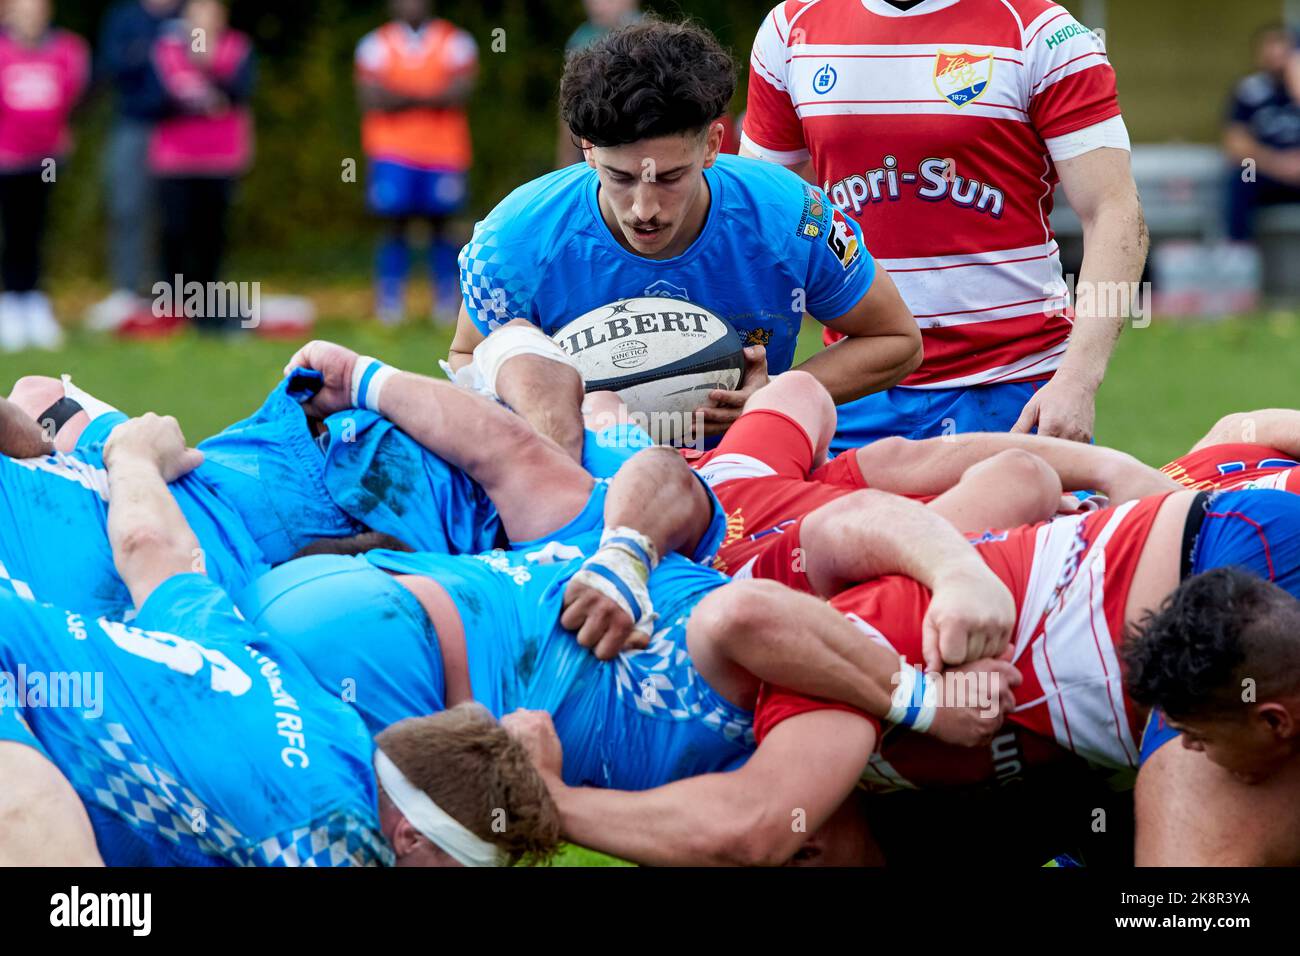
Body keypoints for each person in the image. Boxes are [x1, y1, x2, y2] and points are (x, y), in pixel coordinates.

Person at [512, 484, 1300, 865]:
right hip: (1211, 574)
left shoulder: (819, 688)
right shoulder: (901, 783)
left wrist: (556, 805)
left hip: (1224, 578)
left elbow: (748, 828)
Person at [0, 413, 563, 867]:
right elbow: (24, 810)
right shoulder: (332, 839)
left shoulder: (318, 711)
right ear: (413, 840)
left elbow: (156, 557)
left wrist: (133, 453)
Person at [451, 17, 922, 442]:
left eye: (671, 178)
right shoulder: (513, 240)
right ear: (589, 149)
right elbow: (468, 360)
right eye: (621, 177)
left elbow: (897, 340)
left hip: (748, 472)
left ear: (713, 145)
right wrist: (551, 417)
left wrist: (775, 397)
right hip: (579, 481)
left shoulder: (792, 217)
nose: (644, 209)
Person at [741, 0, 1149, 452]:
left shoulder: (1041, 31)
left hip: (1014, 386)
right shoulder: (791, 28)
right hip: (856, 386)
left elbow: (1114, 211)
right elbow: (759, 219)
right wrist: (759, 375)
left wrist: (1077, 381)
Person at [356, 0, 477, 326]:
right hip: (391, 152)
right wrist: (431, 94)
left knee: (444, 225)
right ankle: (390, 304)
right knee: (393, 224)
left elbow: (460, 93)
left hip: (444, 152)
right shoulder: (373, 44)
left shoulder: (456, 41)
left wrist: (401, 96)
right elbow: (370, 98)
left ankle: (446, 304)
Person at [142, 0, 255, 335]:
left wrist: (204, 72)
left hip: (220, 159)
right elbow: (152, 101)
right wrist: (203, 101)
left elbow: (238, 93)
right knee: (175, 233)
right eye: (197, 16)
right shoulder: (164, 51)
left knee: (211, 236)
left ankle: (208, 311)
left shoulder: (237, 49)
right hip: (175, 161)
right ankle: (172, 308)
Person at [0, 0, 89, 352]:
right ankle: (10, 303)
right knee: (12, 229)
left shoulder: (65, 50)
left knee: (36, 227)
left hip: (47, 159)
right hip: (8, 158)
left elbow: (73, 95)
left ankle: (34, 301)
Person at [86, 0, 178, 333]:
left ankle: (171, 295)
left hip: (181, 129)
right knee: (128, 207)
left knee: (175, 215)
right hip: (134, 125)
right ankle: (127, 290)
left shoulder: (188, 16)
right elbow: (113, 67)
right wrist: (154, 54)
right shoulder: (125, 18)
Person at [1224, 23, 1300, 243]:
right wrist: (1279, 164)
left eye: (1282, 45)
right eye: (1269, 45)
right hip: (1267, 169)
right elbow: (1235, 143)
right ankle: (1238, 252)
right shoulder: (1249, 90)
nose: (1276, 53)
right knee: (1243, 174)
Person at [555, 0, 642, 168]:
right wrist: (565, 167)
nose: (598, 6)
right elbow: (567, 110)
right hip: (593, 145)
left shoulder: (651, 34)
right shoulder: (580, 39)